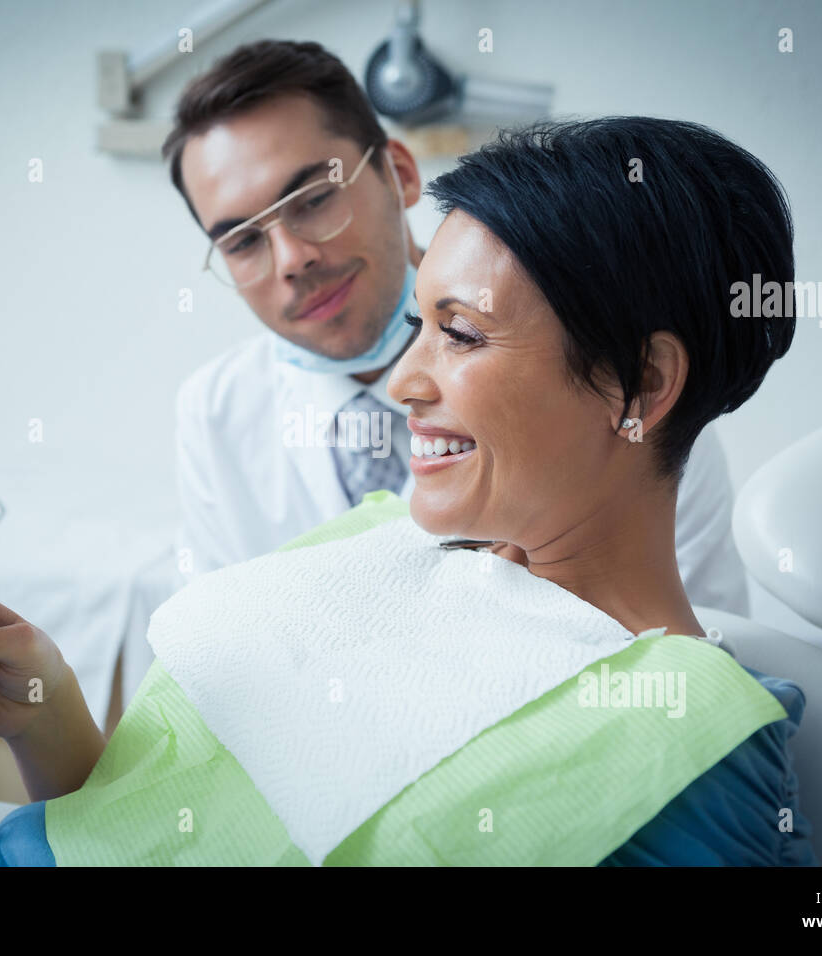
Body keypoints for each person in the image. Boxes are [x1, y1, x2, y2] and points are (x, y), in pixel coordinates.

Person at [0, 116, 813, 867]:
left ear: (642, 383)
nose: (407, 379)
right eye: (421, 321)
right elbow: (154, 819)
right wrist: (42, 704)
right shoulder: (378, 546)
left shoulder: (688, 750)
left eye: (461, 334)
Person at [109, 40, 751, 726]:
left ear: (399, 173)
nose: (292, 259)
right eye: (241, 241)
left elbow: (689, 667)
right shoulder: (215, 414)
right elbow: (229, 671)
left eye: (314, 198)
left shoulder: (620, 420)